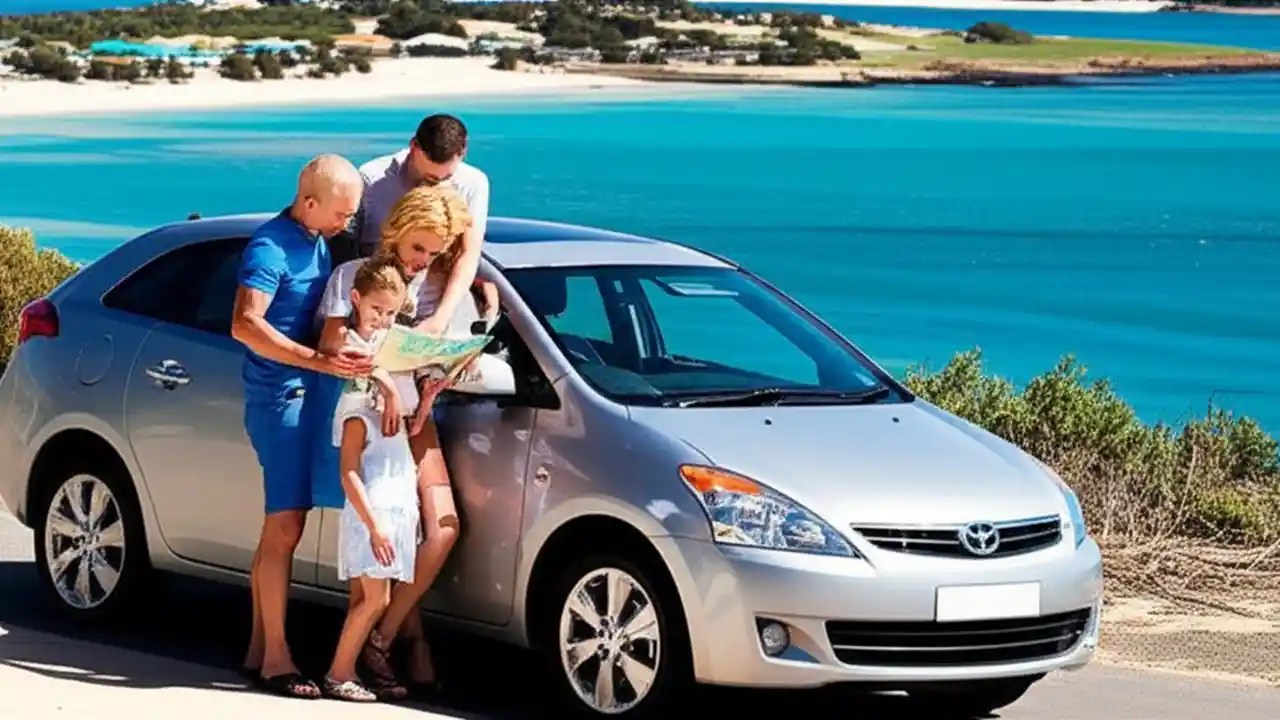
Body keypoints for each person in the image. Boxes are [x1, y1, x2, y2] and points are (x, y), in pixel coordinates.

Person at [311, 182, 474, 696]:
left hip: (414, 413)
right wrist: (380, 376)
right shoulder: (350, 278)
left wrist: (436, 384)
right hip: (365, 411)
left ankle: (379, 639)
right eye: (418, 248)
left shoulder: (435, 285)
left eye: (434, 251)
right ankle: (359, 654)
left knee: (442, 530)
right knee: (377, 535)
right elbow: (334, 342)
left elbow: (443, 352)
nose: (423, 260)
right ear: (397, 232)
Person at [231, 154, 373, 699]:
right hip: (278, 397)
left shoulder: (314, 237)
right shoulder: (270, 246)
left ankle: (258, 647)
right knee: (285, 523)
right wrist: (317, 362)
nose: (346, 226)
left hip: (308, 395)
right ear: (310, 202)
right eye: (341, 214)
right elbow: (246, 323)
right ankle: (276, 659)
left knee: (284, 524)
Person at [321, 255, 422, 703]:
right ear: (356, 301)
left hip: (394, 496)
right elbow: (348, 470)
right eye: (376, 310)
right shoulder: (355, 389)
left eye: (391, 313)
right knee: (373, 601)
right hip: (374, 505)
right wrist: (375, 523)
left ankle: (344, 671)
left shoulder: (390, 374)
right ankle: (339, 673)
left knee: (371, 600)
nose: (383, 320)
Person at [331, 112, 497, 335]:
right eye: (428, 174)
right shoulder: (371, 179)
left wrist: (440, 319)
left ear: (463, 152)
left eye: (445, 177)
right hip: (375, 307)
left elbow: (468, 254)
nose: (434, 182)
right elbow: (345, 247)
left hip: (436, 303)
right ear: (413, 146)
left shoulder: (472, 184)